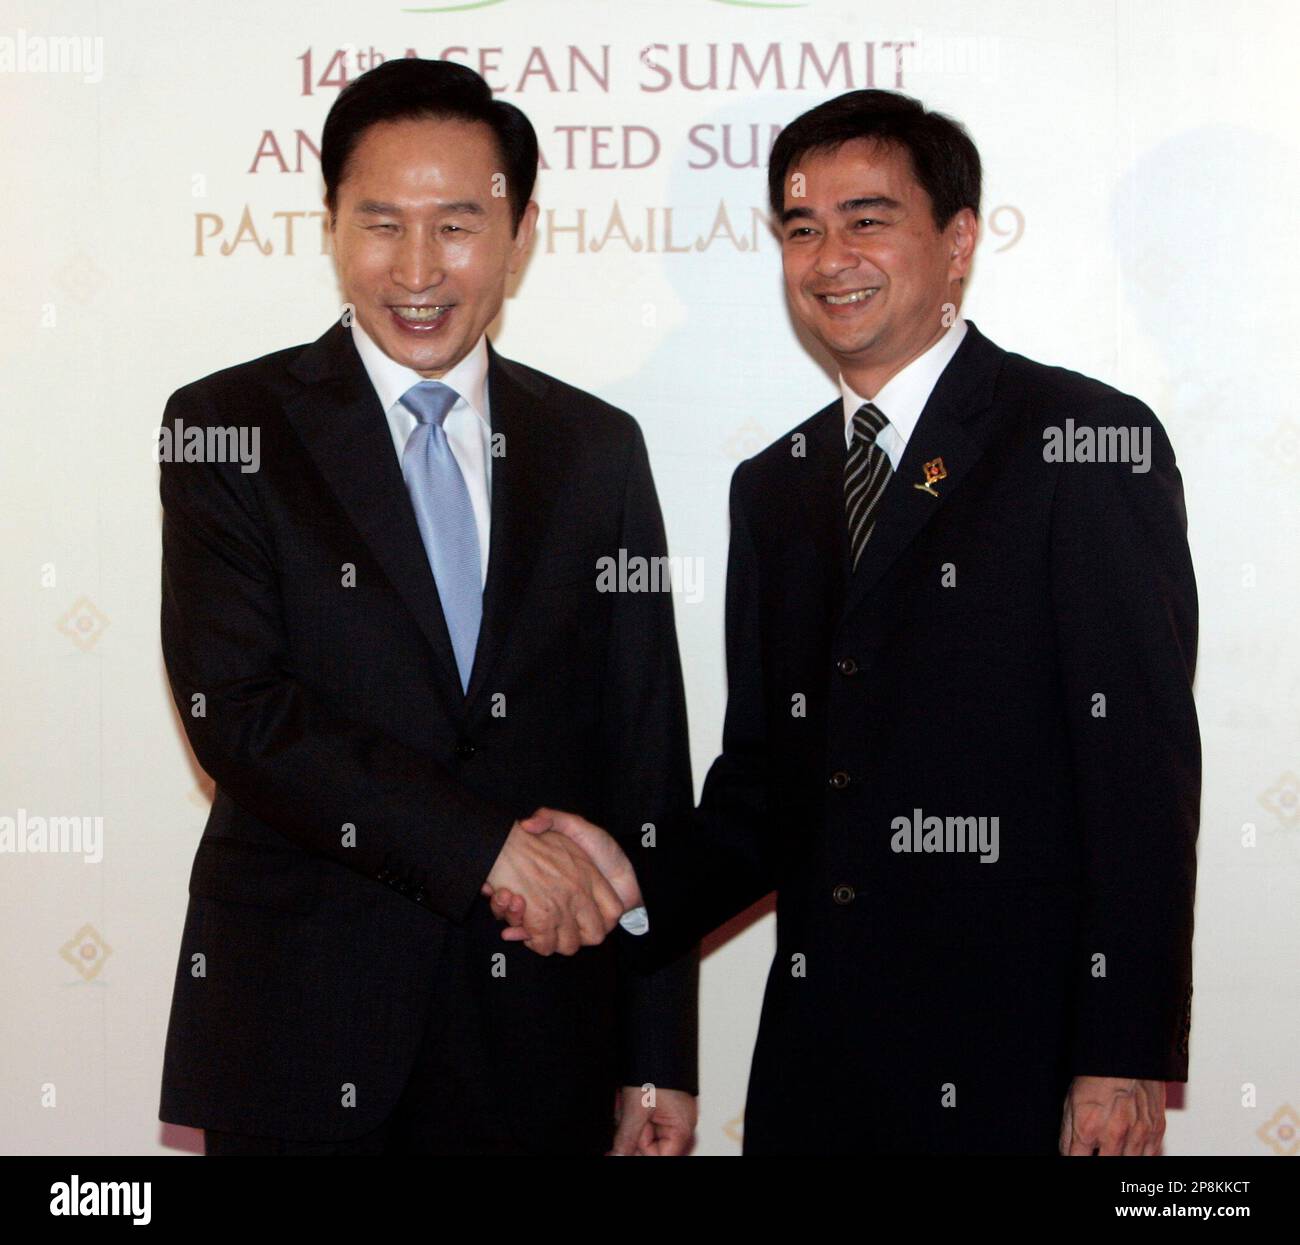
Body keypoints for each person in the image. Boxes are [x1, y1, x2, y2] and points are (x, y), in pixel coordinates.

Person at [490, 89, 1201, 1156]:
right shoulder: (772, 486)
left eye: (868, 220)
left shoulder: (1081, 441)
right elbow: (765, 789)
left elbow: (1139, 773)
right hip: (820, 1065)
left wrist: (1122, 1049)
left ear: (956, 242)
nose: (831, 259)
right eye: (801, 229)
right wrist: (627, 880)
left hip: (1025, 1063)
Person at [157, 57, 698, 1156]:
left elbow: (643, 750)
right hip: (302, 1022)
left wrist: (658, 1053)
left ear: (519, 233)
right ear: (330, 227)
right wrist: (486, 845)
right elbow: (242, 714)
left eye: (456, 226)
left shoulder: (596, 450)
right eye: (380, 224)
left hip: (542, 1026)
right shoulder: (229, 427)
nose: (416, 268)